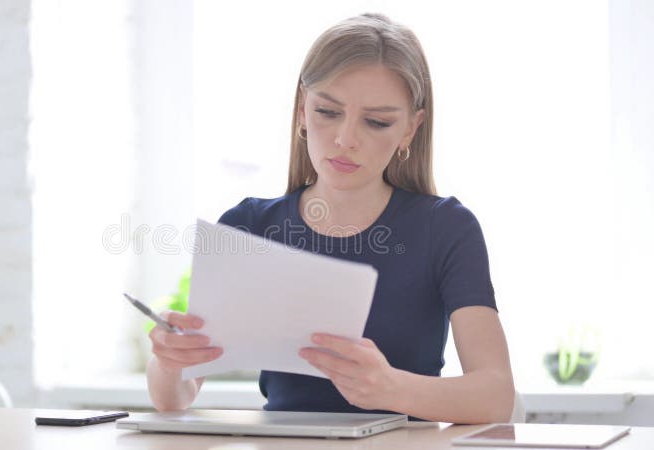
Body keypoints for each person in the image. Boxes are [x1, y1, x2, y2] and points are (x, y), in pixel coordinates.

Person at [146, 12, 515, 424]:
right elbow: (174, 399)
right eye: (327, 111)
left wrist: (389, 386)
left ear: (411, 129)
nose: (345, 140)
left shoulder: (445, 227)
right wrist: (170, 360)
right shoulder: (249, 226)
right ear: (303, 110)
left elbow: (496, 395)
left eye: (376, 122)